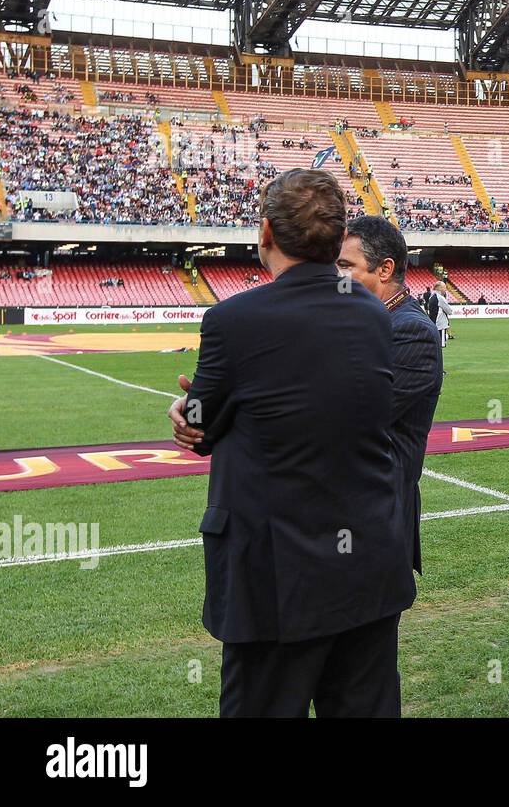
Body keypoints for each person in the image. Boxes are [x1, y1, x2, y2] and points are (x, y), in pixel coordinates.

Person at [167, 169, 415, 717]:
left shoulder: (233, 320)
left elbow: (202, 427)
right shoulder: (373, 313)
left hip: (278, 579)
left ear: (266, 234)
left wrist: (187, 413)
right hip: (368, 562)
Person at [338, 215, 443, 575]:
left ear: (384, 269)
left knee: (366, 627)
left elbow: (353, 419)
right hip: (345, 510)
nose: (336, 277)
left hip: (375, 514)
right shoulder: (365, 322)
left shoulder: (411, 331)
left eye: (345, 266)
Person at [431, 280, 452, 348]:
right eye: (444, 287)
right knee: (440, 346)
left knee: (435, 346)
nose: (445, 289)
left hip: (433, 323)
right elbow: (449, 311)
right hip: (440, 324)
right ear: (439, 288)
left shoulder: (431, 296)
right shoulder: (440, 298)